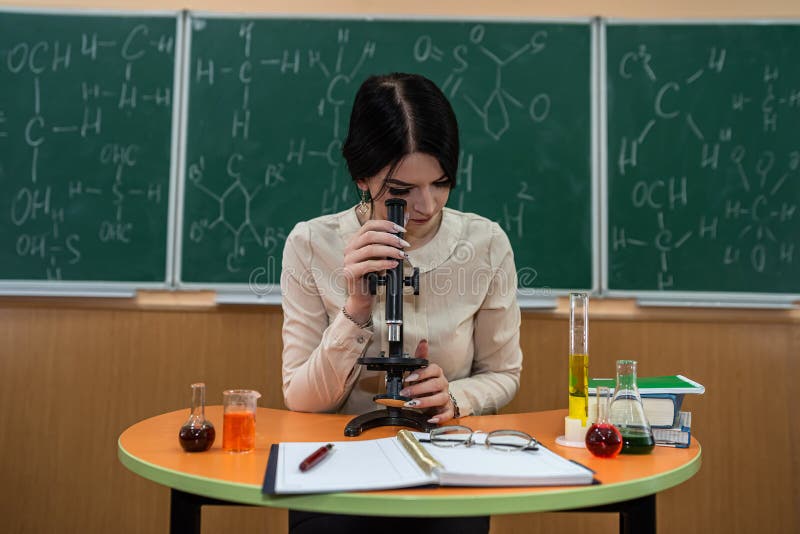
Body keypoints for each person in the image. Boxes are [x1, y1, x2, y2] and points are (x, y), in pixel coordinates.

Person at [280, 72, 523, 534]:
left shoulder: (486, 244)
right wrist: (355, 308)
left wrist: (455, 396)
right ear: (361, 177)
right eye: (401, 192)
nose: (427, 206)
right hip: (339, 470)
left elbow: (504, 373)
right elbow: (301, 398)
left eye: (442, 182)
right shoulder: (311, 245)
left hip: (445, 467)